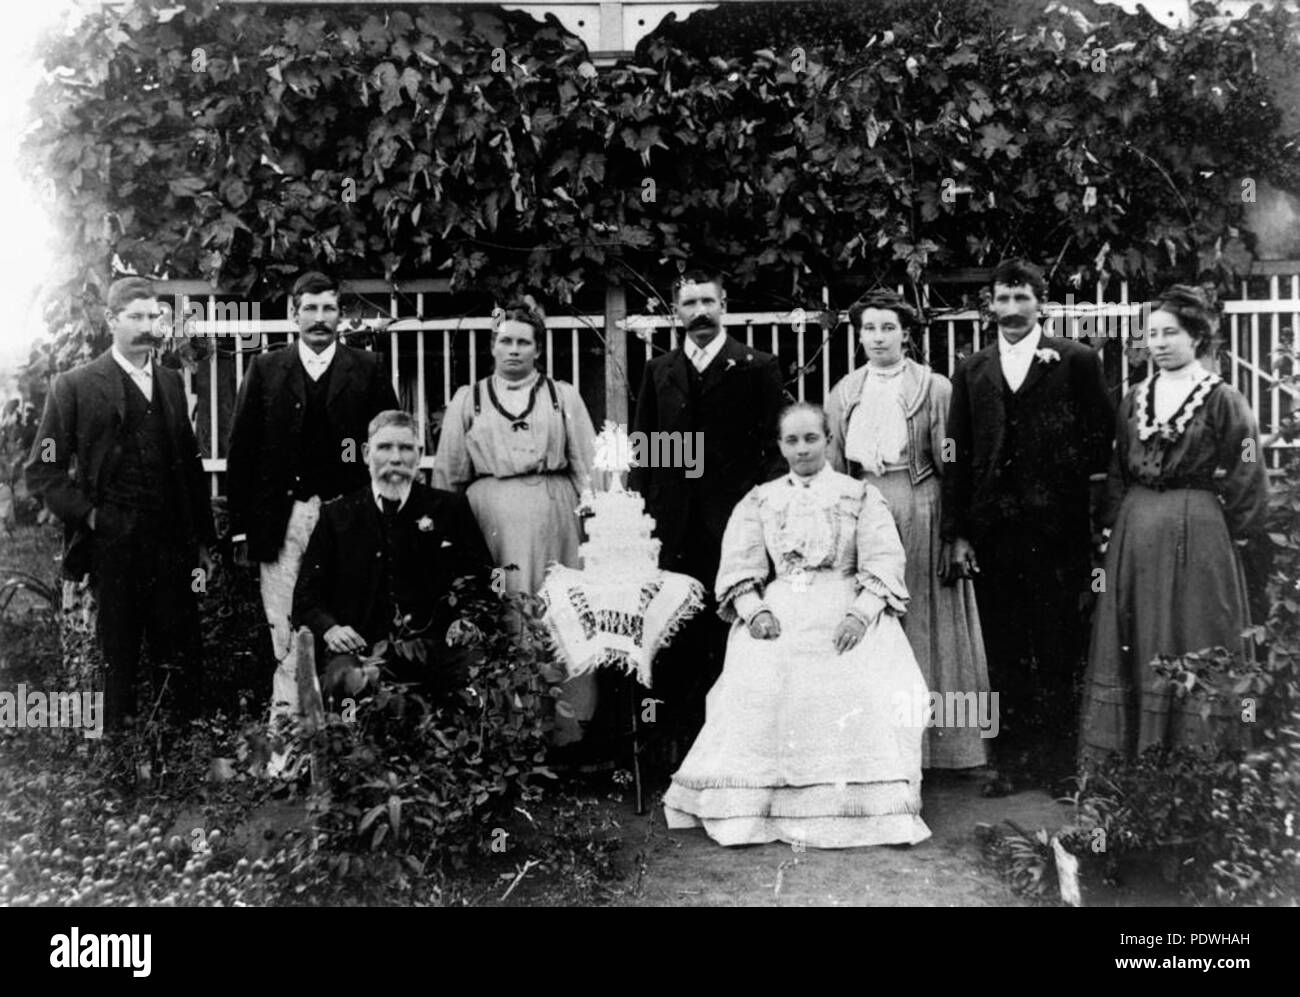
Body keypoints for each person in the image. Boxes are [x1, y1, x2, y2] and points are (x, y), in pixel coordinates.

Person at [663, 403, 931, 847]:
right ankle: (757, 809)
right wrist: (755, 610)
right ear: (780, 445)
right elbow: (739, 564)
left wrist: (861, 613)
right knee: (759, 679)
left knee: (861, 679)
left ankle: (862, 810)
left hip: (845, 604)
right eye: (792, 440)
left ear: (828, 440)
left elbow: (884, 559)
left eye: (811, 438)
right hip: (782, 606)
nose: (802, 448)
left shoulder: (860, 495)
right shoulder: (760, 499)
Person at [941, 259, 1114, 792]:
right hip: (994, 530)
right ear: (988, 305)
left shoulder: (1076, 360)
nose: (1012, 310)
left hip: (1056, 529)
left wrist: (1067, 491)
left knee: (1060, 647)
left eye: (1022, 298)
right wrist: (959, 530)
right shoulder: (971, 369)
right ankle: (1010, 763)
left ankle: (1059, 767)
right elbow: (956, 451)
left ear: (1042, 302)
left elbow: (1099, 437)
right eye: (1002, 299)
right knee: (1005, 650)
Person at [1079, 286, 1269, 762]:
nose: (1159, 343)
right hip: (1136, 530)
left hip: (1200, 530)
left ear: (1197, 337)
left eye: (1171, 333)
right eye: (1152, 335)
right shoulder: (1134, 399)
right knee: (1136, 636)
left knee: (1196, 632)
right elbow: (1119, 469)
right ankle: (1135, 761)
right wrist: (1112, 530)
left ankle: (1198, 763)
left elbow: (1248, 471)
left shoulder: (1224, 399)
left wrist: (1232, 534)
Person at [25, 276, 215, 730]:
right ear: (112, 320)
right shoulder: (73, 386)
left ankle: (180, 766)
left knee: (181, 656)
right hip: (112, 549)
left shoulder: (170, 382)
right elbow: (42, 470)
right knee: (119, 662)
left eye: (154, 316)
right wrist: (91, 516)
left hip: (171, 548)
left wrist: (204, 544)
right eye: (136, 317)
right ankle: (120, 774)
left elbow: (190, 469)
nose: (147, 326)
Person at [226, 271, 398, 744]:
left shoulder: (366, 369)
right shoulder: (266, 370)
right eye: (311, 309)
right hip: (284, 520)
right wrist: (242, 528)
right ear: (293, 314)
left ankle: (348, 749)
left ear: (340, 314)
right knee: (285, 631)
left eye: (329, 309)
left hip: (346, 520)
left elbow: (387, 448)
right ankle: (286, 747)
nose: (320, 319)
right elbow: (241, 453)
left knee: (345, 628)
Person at [827, 290, 990, 771]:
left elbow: (956, 461)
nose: (878, 338)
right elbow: (835, 464)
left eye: (888, 328)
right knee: (871, 619)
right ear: (859, 335)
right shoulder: (845, 391)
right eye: (869, 329)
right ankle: (880, 750)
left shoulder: (933, 387)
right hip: (863, 509)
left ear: (907, 334)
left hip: (921, 506)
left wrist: (957, 532)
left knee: (923, 621)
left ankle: (940, 751)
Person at [629, 268, 786, 757]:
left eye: (708, 302)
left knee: (729, 632)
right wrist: (642, 521)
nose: (699, 312)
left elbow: (772, 451)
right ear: (676, 313)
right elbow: (647, 451)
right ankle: (674, 745)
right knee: (675, 632)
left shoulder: (757, 366)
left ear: (724, 306)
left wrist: (758, 512)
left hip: (733, 527)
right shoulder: (660, 371)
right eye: (689, 304)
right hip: (673, 528)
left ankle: (732, 746)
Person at [432, 297, 597, 743]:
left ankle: (565, 730)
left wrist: (596, 524)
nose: (514, 350)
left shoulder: (563, 396)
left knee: (557, 614)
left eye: (524, 342)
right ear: (492, 345)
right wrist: (444, 539)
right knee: (503, 612)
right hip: (490, 525)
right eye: (505, 341)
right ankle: (507, 732)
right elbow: (447, 476)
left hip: (556, 520)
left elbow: (588, 468)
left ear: (538, 349)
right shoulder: (469, 400)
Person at [293, 411, 493, 703]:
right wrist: (331, 629)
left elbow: (487, 579)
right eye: (384, 447)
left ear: (420, 453)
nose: (396, 458)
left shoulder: (449, 509)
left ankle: (462, 749)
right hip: (360, 651)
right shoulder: (337, 515)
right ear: (365, 453)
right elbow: (305, 598)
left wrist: (468, 620)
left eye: (406, 448)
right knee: (343, 684)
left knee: (475, 675)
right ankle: (351, 747)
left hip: (436, 648)